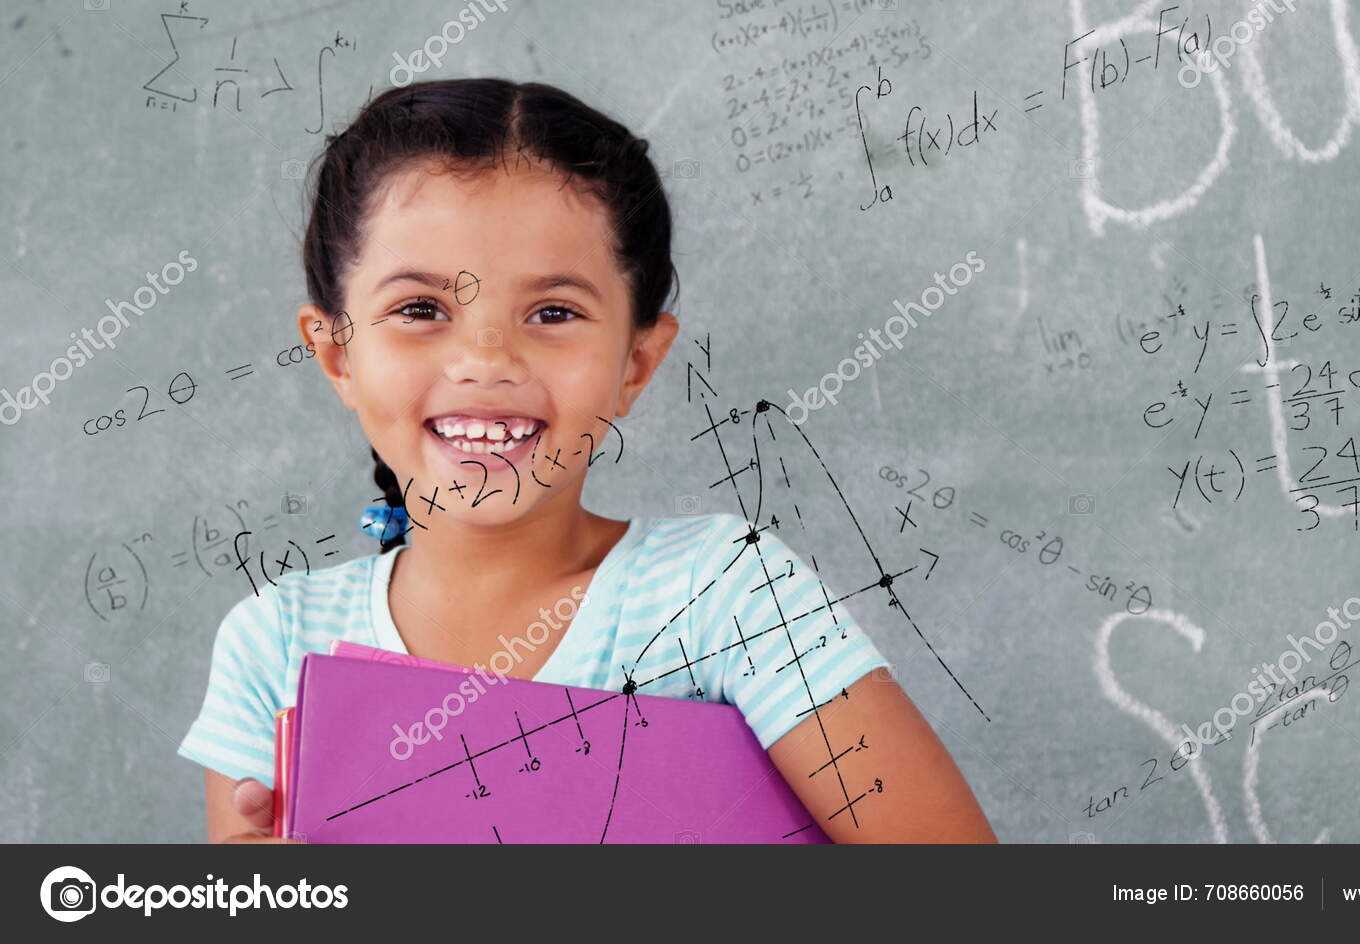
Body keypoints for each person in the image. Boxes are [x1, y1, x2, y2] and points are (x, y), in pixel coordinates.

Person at [177, 78, 995, 843]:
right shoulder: (278, 643)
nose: (488, 360)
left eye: (554, 311)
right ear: (337, 356)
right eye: (420, 309)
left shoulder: (725, 599)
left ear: (636, 363)